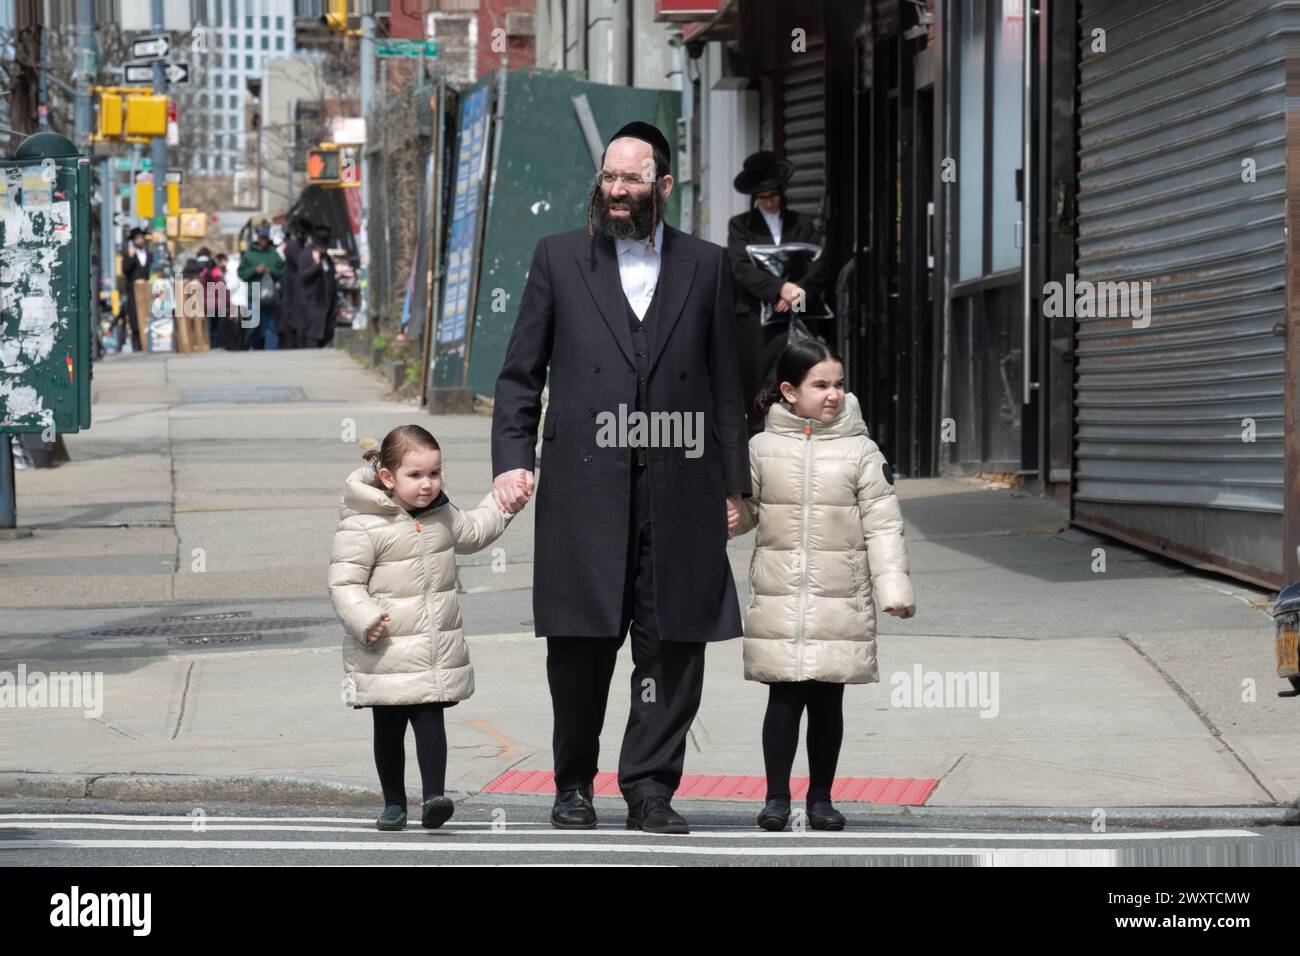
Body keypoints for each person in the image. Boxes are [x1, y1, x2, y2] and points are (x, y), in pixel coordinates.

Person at [491, 120, 751, 835]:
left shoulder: (708, 264)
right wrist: (514, 459)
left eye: (632, 178)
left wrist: (736, 484)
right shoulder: (558, 258)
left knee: (671, 644)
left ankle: (649, 790)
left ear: (662, 187)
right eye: (609, 177)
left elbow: (727, 382)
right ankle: (573, 784)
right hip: (584, 484)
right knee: (578, 645)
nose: (616, 190)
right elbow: (520, 375)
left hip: (681, 488)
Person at [728, 337, 915, 832]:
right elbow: (748, 512)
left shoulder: (861, 451)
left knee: (828, 699)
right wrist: (730, 514)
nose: (833, 394)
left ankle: (821, 799)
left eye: (839, 384)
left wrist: (892, 587)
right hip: (781, 595)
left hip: (840, 596)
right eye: (821, 385)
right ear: (790, 391)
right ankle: (774, 799)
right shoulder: (761, 448)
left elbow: (882, 524)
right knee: (783, 699)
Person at [328, 425, 523, 831]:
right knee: (389, 727)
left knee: (431, 718)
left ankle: (434, 796)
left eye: (434, 473)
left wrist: (505, 502)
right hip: (386, 648)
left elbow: (474, 530)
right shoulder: (364, 524)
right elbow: (345, 582)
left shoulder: (441, 515)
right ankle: (394, 803)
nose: (427, 484)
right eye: (415, 475)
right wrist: (364, 617)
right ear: (388, 478)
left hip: (431, 649)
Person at [727, 151, 831, 435]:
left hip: (796, 317)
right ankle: (759, 439)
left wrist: (797, 290)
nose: (769, 202)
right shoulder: (740, 226)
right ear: (754, 197)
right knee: (758, 383)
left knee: (799, 375)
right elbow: (740, 268)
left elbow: (819, 263)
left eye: (773, 195)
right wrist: (779, 289)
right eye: (763, 197)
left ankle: (801, 433)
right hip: (755, 323)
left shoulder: (803, 223)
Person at [237, 225, 285, 350]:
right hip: (254, 294)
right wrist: (254, 270)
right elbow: (241, 273)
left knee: (270, 325)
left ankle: (270, 351)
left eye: (265, 238)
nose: (263, 241)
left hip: (270, 296)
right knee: (253, 325)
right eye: (261, 238)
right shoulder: (249, 255)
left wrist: (271, 271)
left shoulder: (273, 254)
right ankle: (254, 350)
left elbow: (282, 272)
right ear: (258, 239)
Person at [295, 226, 337, 348]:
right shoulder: (306, 255)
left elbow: (330, 274)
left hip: (326, 302)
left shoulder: (326, 258)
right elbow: (303, 275)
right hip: (312, 301)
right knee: (313, 333)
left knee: (325, 331)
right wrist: (316, 264)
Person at [118, 227, 150, 353]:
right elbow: (125, 271)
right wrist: (131, 257)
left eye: (141, 238)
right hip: (133, 293)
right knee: (135, 319)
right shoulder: (129, 255)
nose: (140, 240)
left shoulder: (149, 254)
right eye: (137, 238)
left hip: (147, 292)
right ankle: (137, 345)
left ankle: (147, 343)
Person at [279, 218, 309, 349]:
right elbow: (300, 264)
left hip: (293, 285)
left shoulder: (293, 245)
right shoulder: (294, 246)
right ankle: (293, 344)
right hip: (293, 286)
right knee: (292, 315)